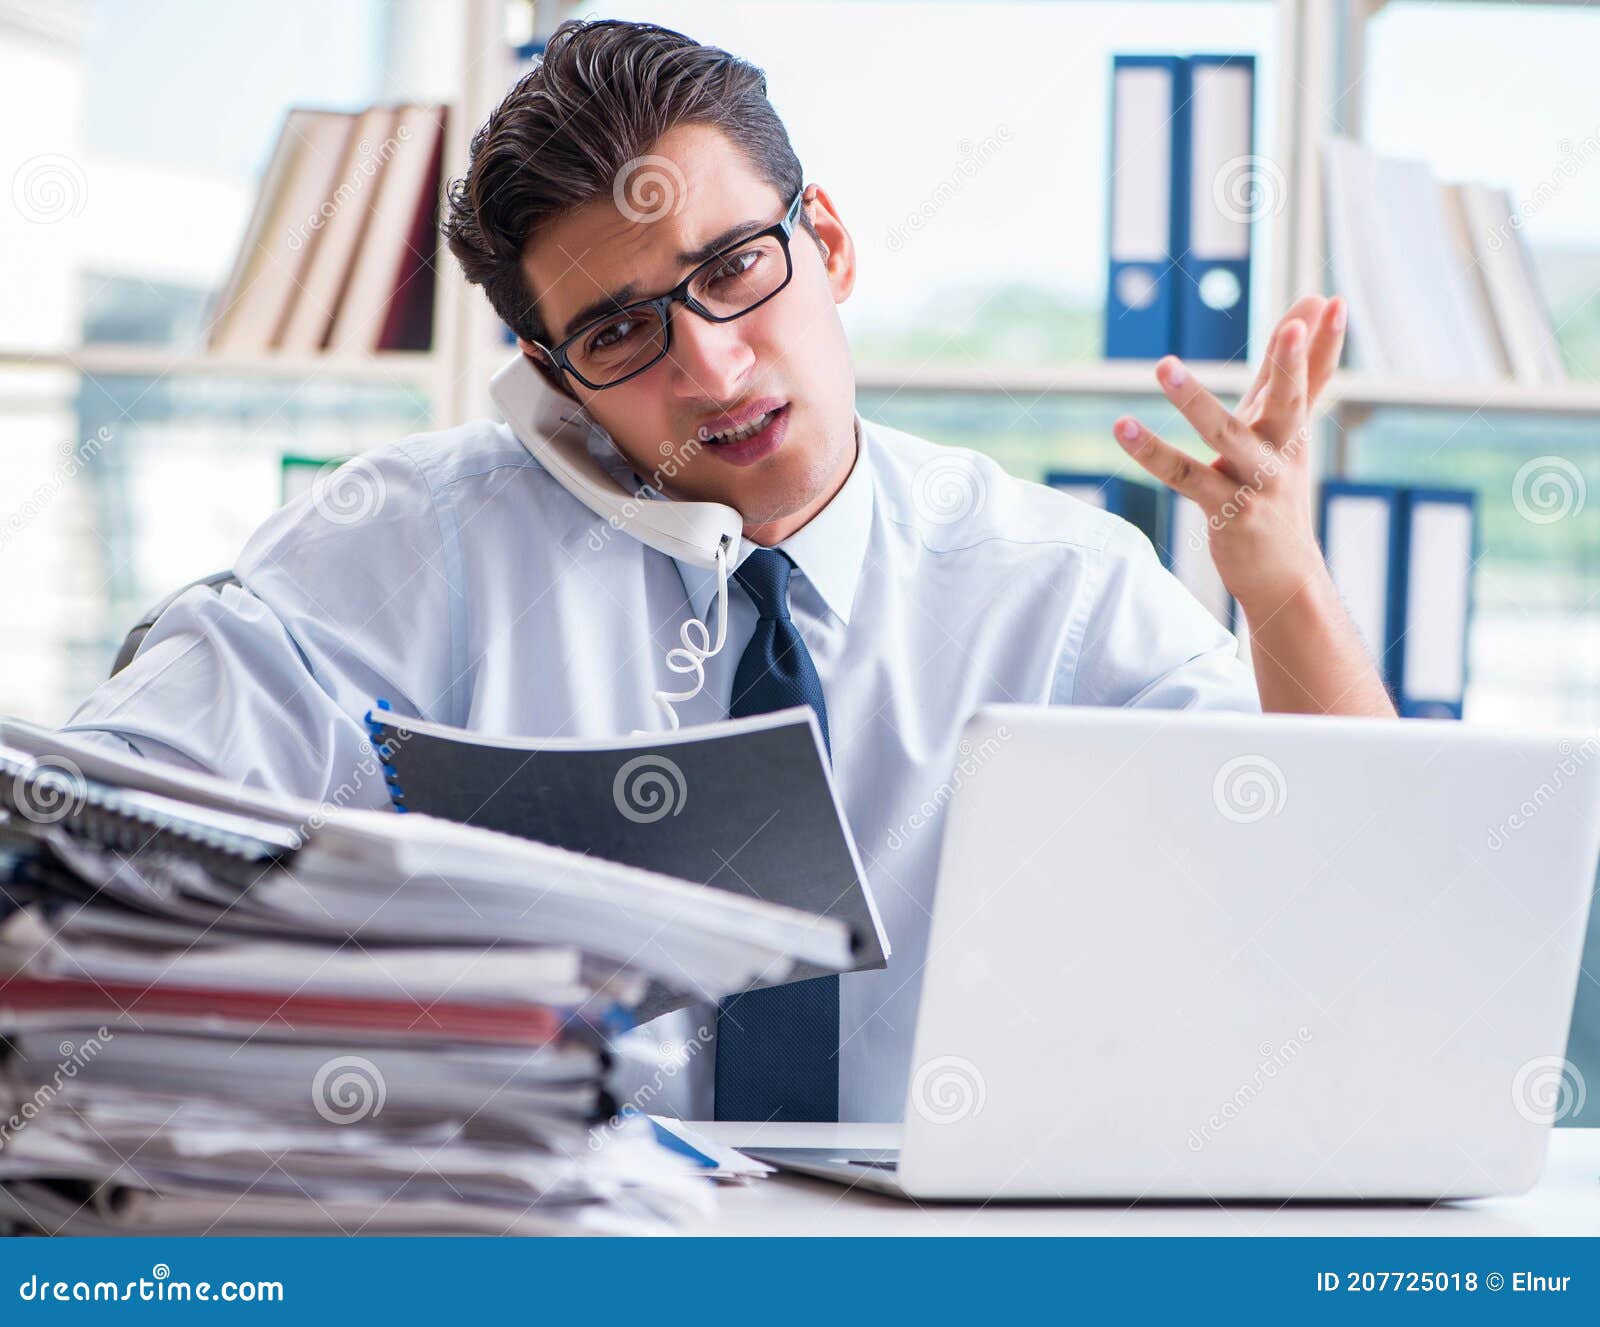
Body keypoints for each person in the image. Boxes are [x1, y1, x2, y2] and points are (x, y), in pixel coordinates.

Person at [62, 19, 1394, 1122]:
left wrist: (1283, 594)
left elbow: (1357, 918)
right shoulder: (414, 542)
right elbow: (87, 824)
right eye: (620, 332)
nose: (712, 366)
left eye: (734, 270)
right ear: (553, 375)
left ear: (827, 237)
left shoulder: (1060, 589)